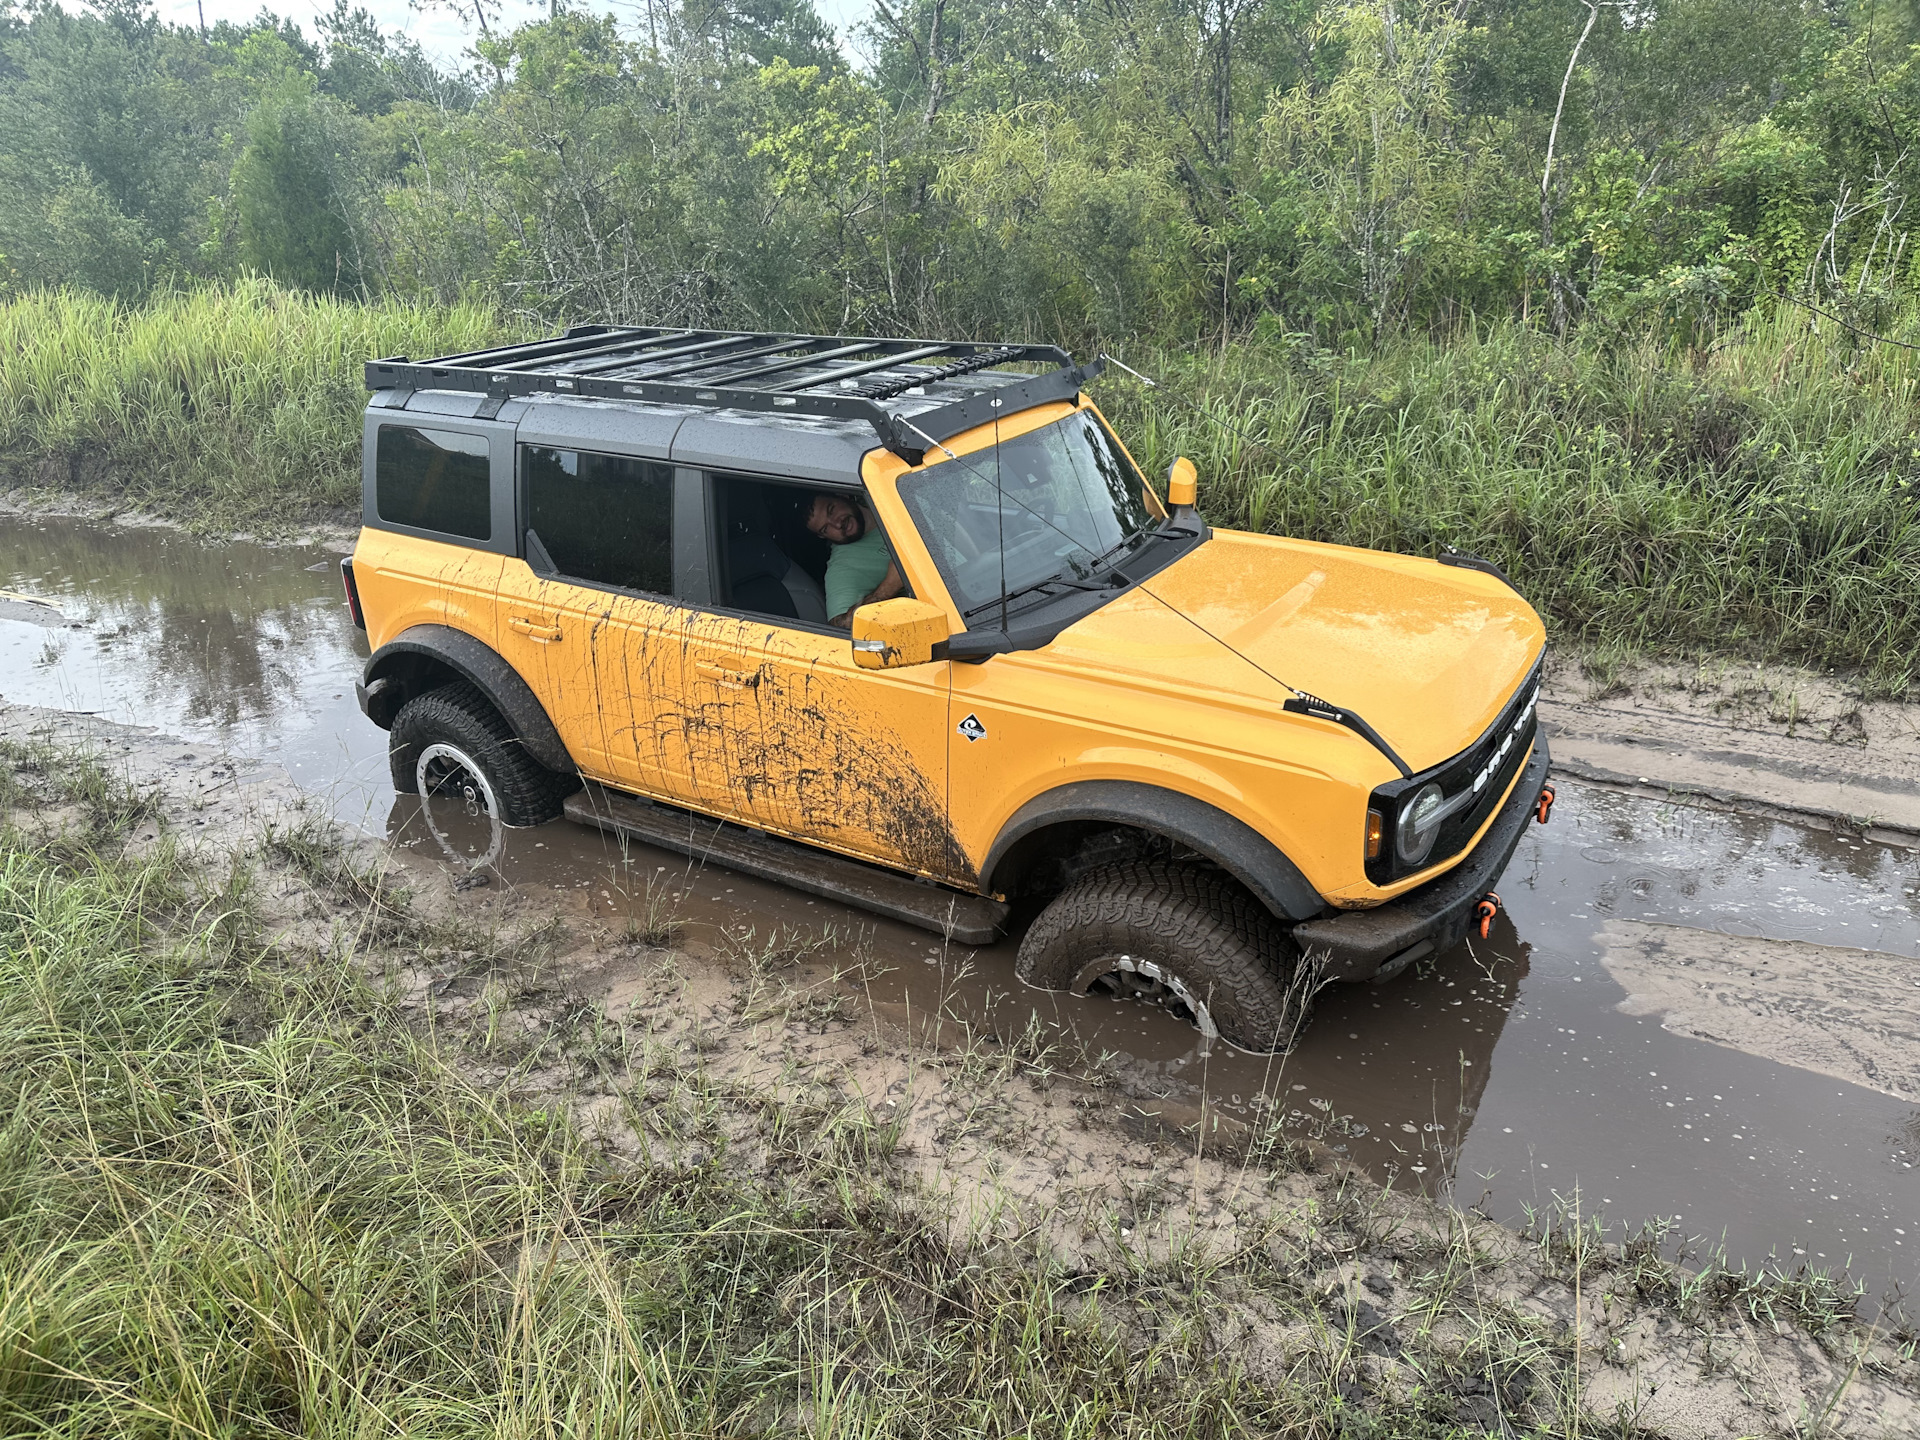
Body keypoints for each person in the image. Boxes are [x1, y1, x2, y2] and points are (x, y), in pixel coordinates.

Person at [806, 492, 904, 625]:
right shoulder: (842, 568)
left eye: (831, 510)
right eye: (825, 528)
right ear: (822, 536)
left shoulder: (889, 497)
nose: (837, 524)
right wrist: (888, 587)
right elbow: (841, 628)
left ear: (844, 496)